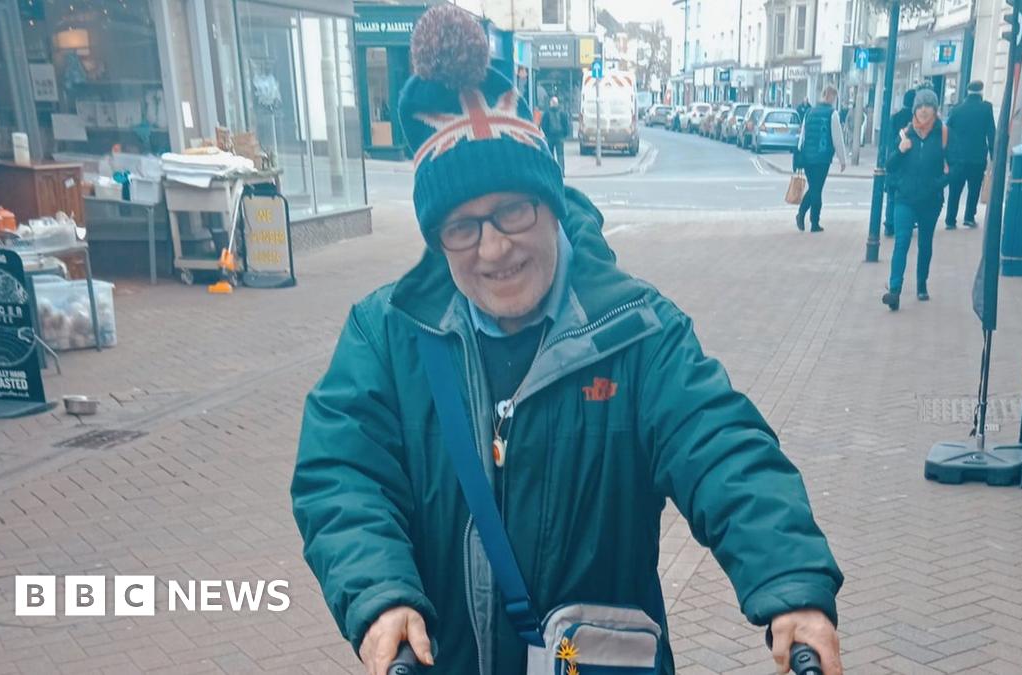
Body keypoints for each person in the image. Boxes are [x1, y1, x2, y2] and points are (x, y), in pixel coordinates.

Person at [290, 7, 844, 675]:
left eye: (513, 211)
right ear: (437, 237)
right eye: (462, 226)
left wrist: (791, 583)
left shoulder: (636, 330)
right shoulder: (387, 334)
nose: (494, 248)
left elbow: (723, 448)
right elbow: (342, 475)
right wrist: (379, 594)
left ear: (551, 203)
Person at [882, 88, 947, 310]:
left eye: (928, 106)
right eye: (919, 106)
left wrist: (937, 185)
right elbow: (889, 166)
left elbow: (955, 167)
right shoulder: (905, 134)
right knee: (901, 242)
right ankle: (894, 290)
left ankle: (921, 284)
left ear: (935, 110)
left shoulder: (943, 135)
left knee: (925, 243)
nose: (923, 110)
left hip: (930, 201)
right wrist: (900, 150)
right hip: (905, 198)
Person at [944, 81, 995, 229]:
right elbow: (991, 132)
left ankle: (950, 220)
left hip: (958, 157)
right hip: (977, 157)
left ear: (967, 91)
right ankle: (969, 217)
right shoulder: (986, 108)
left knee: (955, 190)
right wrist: (993, 155)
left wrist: (948, 154)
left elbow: (947, 130)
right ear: (981, 91)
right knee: (974, 189)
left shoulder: (957, 109)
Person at [795, 85, 847, 233]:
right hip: (822, 158)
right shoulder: (833, 114)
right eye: (834, 97)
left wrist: (800, 154)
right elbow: (838, 139)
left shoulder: (809, 112)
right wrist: (842, 159)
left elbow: (803, 135)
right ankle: (812, 221)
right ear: (830, 96)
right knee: (817, 189)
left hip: (807, 157)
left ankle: (803, 216)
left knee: (814, 188)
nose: (834, 100)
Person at [884, 88, 917, 237]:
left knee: (891, 196)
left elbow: (889, 139)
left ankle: (889, 223)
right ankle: (901, 224)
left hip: (894, 158)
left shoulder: (895, 117)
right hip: (908, 163)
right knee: (904, 196)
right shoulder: (916, 119)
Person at [540, 95, 570, 175]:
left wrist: (546, 134)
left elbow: (543, 125)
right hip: (560, 137)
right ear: (557, 104)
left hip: (550, 137)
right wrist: (565, 134)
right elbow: (566, 124)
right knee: (560, 155)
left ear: (551, 103)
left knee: (550, 155)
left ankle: (551, 172)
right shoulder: (562, 112)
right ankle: (561, 172)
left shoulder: (546, 113)